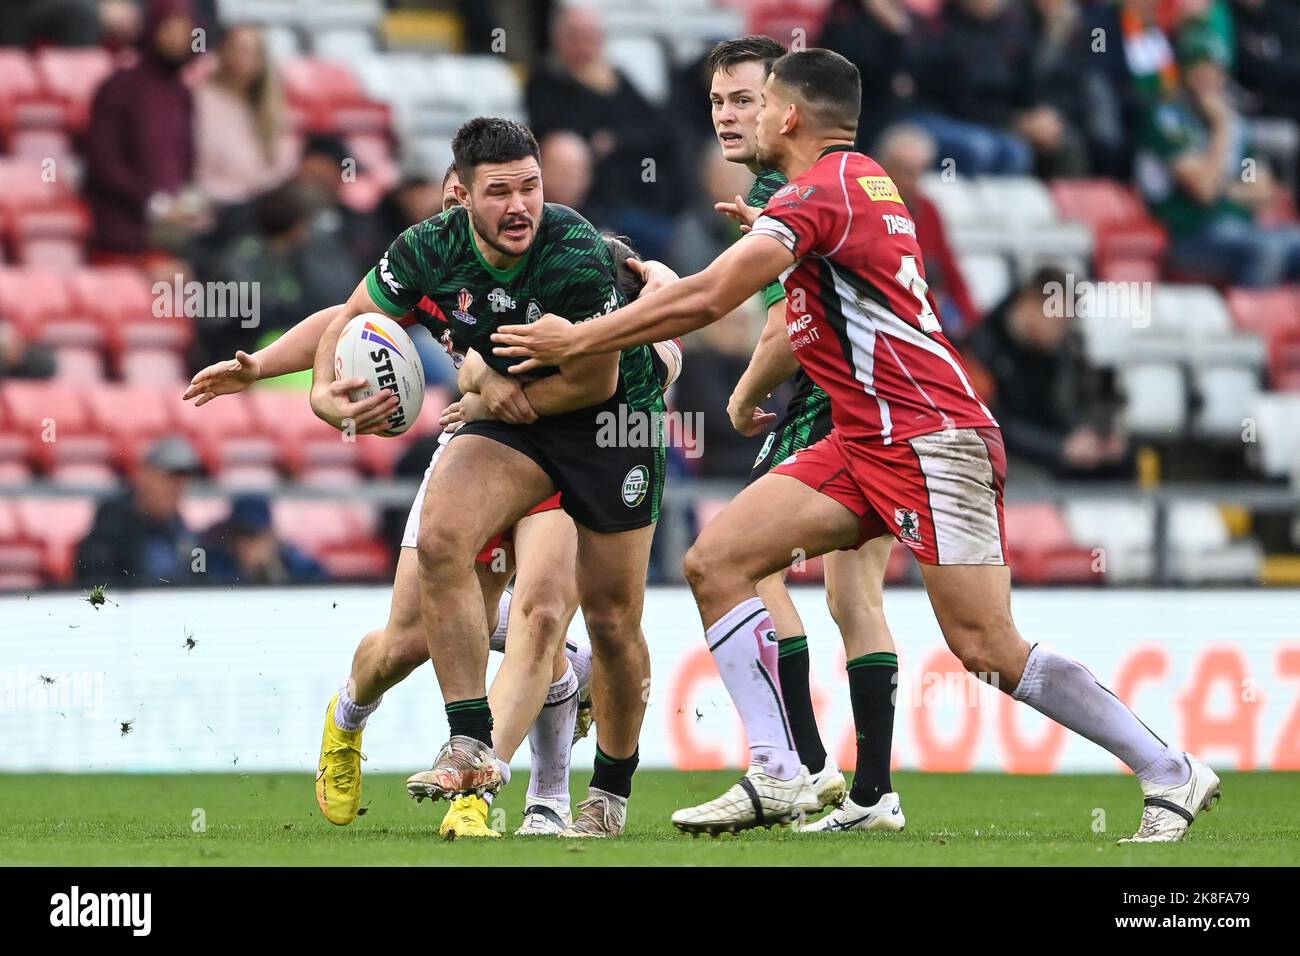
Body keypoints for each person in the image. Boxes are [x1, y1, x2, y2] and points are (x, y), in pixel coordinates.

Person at [492, 49, 1221, 844]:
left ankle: (1168, 768)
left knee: (986, 643)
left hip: (932, 436)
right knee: (718, 561)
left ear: (791, 116)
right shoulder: (857, 184)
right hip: (864, 438)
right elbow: (815, 300)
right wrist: (778, 252)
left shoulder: (822, 191)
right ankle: (782, 771)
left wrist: (579, 338)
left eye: (760, 102)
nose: (749, 117)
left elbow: (706, 298)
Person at [687, 34, 902, 832]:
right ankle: (872, 790)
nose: (729, 116)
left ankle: (803, 767)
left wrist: (744, 393)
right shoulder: (841, 178)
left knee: (745, 565)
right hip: (891, 400)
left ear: (786, 106)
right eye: (717, 102)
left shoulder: (795, 184)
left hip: (828, 397)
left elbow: (782, 326)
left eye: (745, 99)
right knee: (854, 592)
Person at [1138, 32, 1300, 286]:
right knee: (1265, 249)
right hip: (1189, 236)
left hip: (1240, 229)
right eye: (1201, 68)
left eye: (1216, 70)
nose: (1210, 77)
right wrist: (1221, 129)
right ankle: (1250, 322)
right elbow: (1204, 190)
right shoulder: (1169, 120)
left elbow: (1263, 190)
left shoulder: (1237, 125)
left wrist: (1226, 189)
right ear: (1186, 73)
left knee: (1293, 241)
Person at [964, 267, 1128, 479]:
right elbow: (991, 423)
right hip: (1001, 457)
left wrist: (1091, 438)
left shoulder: (1061, 352)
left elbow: (1067, 407)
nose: (1062, 332)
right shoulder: (980, 348)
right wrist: (1059, 448)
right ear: (1032, 304)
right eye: (1059, 323)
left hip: (1048, 452)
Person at [85, 0, 203, 263]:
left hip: (175, 223)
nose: (178, 38)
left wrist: (187, 203)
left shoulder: (182, 92)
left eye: (185, 29)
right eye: (170, 28)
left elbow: (186, 160)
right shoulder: (119, 86)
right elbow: (103, 162)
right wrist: (154, 203)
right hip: (125, 224)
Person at [874, 123, 980, 332]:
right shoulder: (868, 209)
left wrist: (972, 323)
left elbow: (950, 269)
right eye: (905, 172)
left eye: (918, 173)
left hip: (931, 320)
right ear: (883, 166)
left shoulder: (928, 210)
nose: (912, 182)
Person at [193, 23, 297, 207]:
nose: (244, 60)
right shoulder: (200, 101)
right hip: (218, 202)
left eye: (253, 52)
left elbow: (284, 161)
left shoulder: (271, 103)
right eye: (238, 50)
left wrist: (264, 184)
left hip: (266, 199)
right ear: (222, 52)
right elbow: (201, 165)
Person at [75, 436, 200, 586]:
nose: (176, 488)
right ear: (143, 475)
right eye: (168, 478)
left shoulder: (181, 530)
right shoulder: (111, 528)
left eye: (182, 480)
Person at [199, 494, 326, 585]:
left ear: (269, 535)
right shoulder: (214, 564)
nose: (244, 544)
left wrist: (273, 568)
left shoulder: (295, 564)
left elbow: (322, 585)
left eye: (253, 535)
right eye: (239, 535)